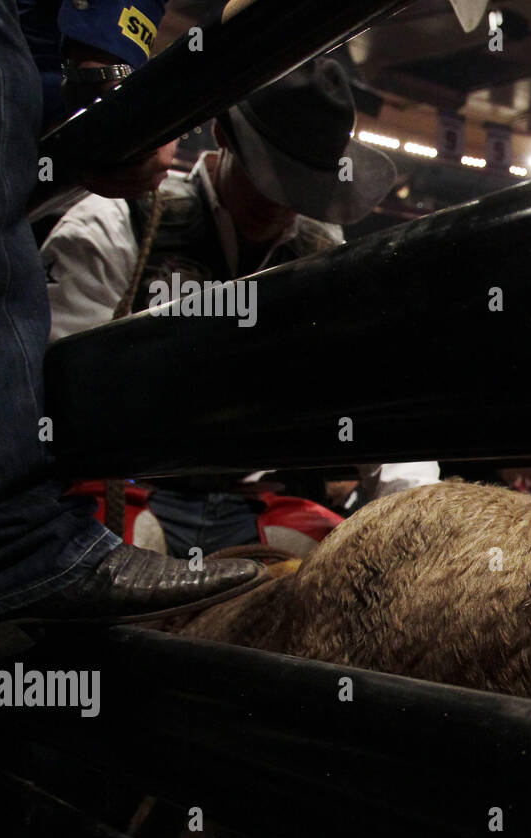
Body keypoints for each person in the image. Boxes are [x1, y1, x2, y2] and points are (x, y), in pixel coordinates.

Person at [40, 58, 399, 557]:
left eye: (300, 186)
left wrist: (410, 511)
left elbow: (373, 387)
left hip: (254, 503)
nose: (279, 203)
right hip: (129, 489)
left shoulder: (325, 258)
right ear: (221, 134)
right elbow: (54, 400)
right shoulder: (117, 223)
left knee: (354, 577)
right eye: (268, 175)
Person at [0, 0, 263, 623]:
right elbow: (65, 367)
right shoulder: (121, 222)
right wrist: (106, 62)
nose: (282, 208)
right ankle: (16, 541)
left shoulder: (315, 240)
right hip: (139, 481)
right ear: (225, 145)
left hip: (245, 492)